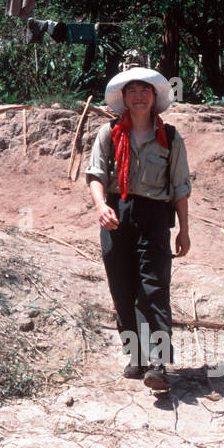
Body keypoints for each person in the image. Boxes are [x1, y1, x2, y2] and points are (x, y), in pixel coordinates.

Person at [86, 67, 191, 392]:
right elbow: (96, 175)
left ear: (155, 97)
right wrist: (102, 206)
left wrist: (183, 230)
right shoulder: (109, 133)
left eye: (145, 91)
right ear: (124, 98)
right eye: (132, 91)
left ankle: (158, 362)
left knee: (154, 287)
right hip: (117, 213)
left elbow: (180, 187)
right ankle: (136, 357)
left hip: (155, 216)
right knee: (122, 286)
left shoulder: (170, 138)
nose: (139, 96)